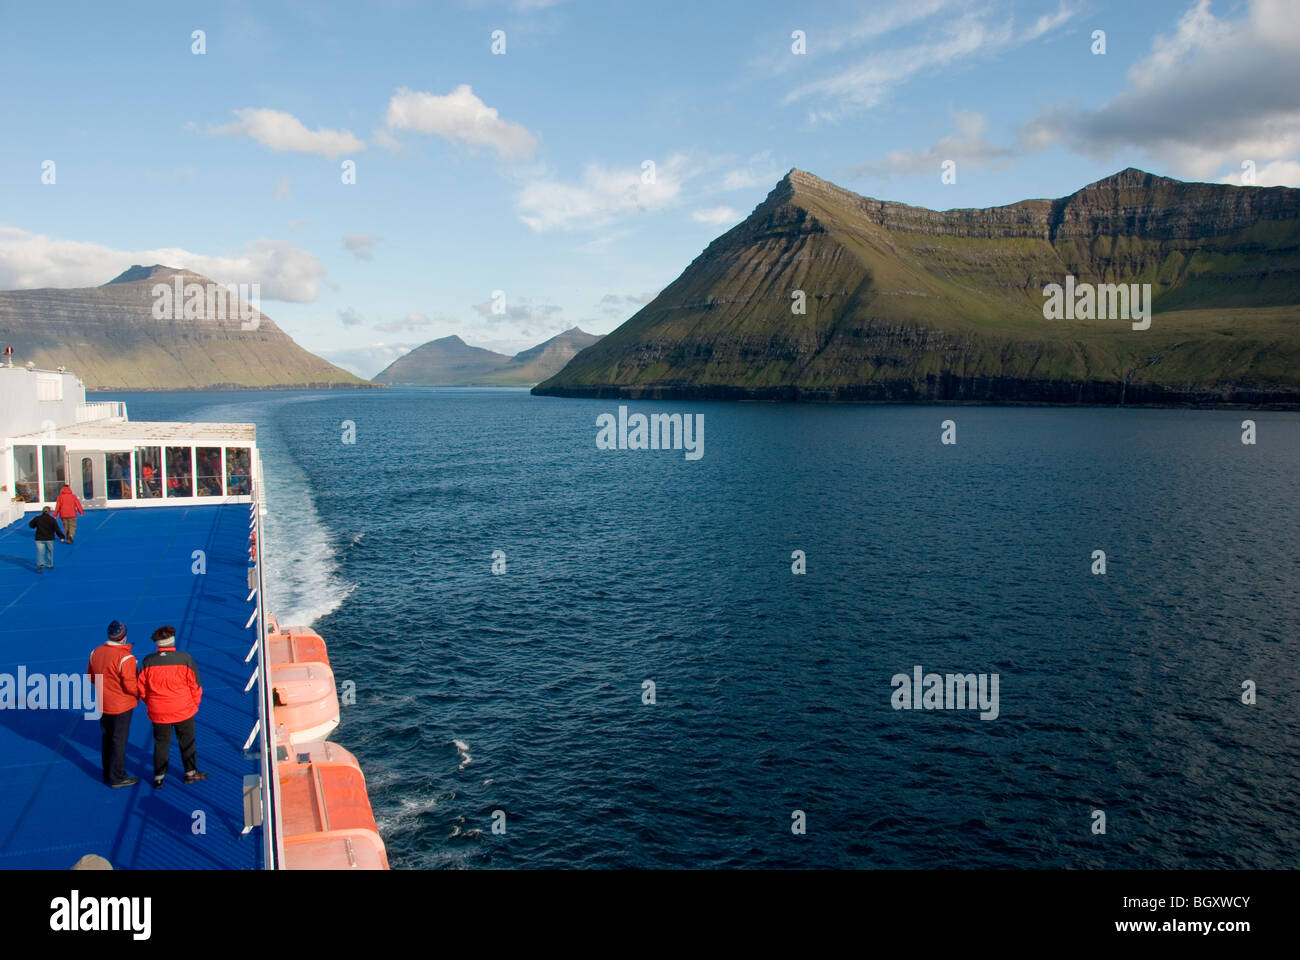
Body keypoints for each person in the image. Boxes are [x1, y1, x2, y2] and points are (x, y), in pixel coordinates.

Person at [136, 626, 208, 788]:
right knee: (187, 741)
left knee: (161, 743)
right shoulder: (185, 658)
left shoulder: (148, 661)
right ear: (172, 641)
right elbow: (196, 686)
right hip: (183, 709)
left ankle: (159, 776)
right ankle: (190, 773)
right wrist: (193, 704)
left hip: (158, 711)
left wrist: (152, 704)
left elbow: (141, 688)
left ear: (158, 644)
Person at [87, 620, 140, 788]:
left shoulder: (95, 652)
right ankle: (117, 777)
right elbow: (131, 686)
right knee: (119, 741)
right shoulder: (126, 658)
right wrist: (142, 693)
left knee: (107, 738)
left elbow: (91, 677)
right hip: (121, 706)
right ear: (123, 637)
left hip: (103, 703)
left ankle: (107, 773)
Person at [28, 506, 65, 573]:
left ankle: (40, 564)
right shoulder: (52, 519)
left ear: (42, 511)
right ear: (49, 512)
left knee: (40, 552)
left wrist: (35, 525)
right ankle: (49, 564)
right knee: (49, 551)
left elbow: (31, 525)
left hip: (39, 538)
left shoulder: (37, 518)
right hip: (49, 538)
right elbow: (57, 529)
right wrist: (61, 537)